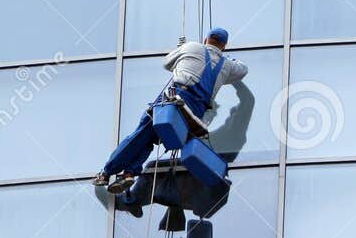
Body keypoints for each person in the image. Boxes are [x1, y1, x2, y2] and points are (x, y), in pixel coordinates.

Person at [94, 28, 247, 195]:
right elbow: (243, 69)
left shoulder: (192, 47)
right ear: (224, 46)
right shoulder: (226, 65)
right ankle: (130, 172)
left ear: (205, 39)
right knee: (151, 138)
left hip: (176, 100)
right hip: (195, 113)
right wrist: (223, 56)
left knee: (139, 134)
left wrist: (181, 50)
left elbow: (167, 63)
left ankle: (107, 172)